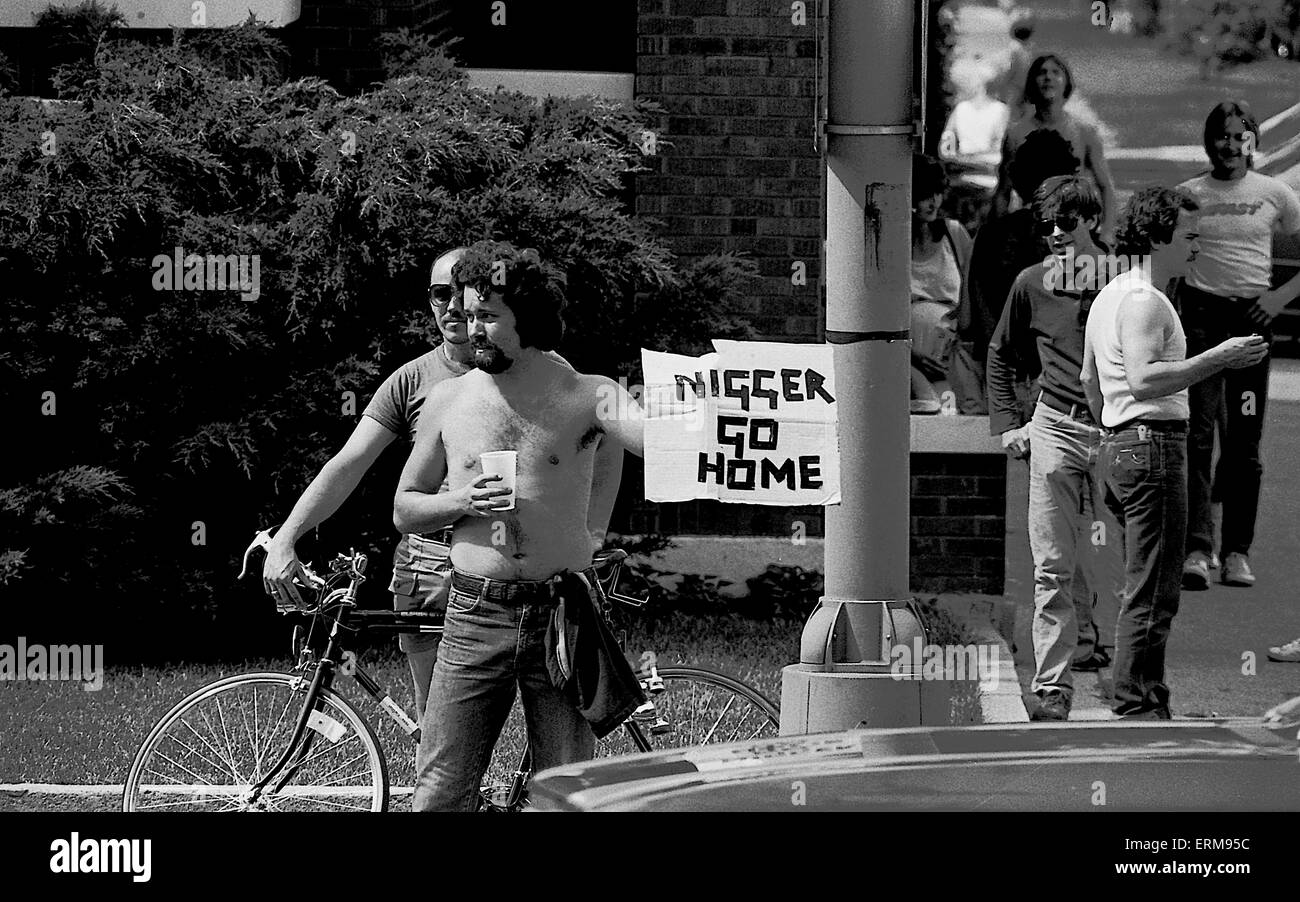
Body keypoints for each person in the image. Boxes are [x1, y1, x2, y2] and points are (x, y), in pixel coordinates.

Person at [262, 247, 625, 719]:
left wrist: (594, 531)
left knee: (549, 717)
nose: (453, 308)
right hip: (430, 565)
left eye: (464, 296)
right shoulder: (414, 380)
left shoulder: (543, 366)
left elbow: (603, 444)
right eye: (440, 294)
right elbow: (348, 463)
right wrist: (287, 537)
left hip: (528, 576)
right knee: (438, 727)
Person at [394, 242, 646, 812]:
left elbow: (658, 443)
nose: (469, 327)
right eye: (465, 311)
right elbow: (405, 507)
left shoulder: (589, 393)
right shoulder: (446, 401)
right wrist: (461, 501)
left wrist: (710, 413)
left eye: (487, 316)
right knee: (439, 792)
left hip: (562, 616)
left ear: (526, 319)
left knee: (567, 792)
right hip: (474, 614)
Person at [1081, 186, 1268, 719]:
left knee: (1146, 582)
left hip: (1124, 447)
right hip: (1152, 447)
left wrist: (1113, 435)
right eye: (1188, 236)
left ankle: (1147, 697)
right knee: (1155, 590)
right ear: (1158, 235)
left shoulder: (1112, 294)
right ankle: (1137, 705)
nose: (1197, 246)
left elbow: (1090, 379)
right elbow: (1142, 380)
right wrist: (1220, 358)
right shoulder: (1145, 302)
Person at [986, 174, 1122, 721]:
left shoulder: (1125, 280)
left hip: (1116, 432)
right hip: (1055, 427)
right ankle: (1051, 689)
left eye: (1068, 222)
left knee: (1120, 561)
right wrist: (1008, 424)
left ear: (1092, 219)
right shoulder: (1032, 283)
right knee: (1051, 564)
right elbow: (1001, 352)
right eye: (1047, 226)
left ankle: (1126, 679)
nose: (1057, 234)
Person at [1175, 101, 1300, 590]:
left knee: (1244, 440)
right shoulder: (1189, 194)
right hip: (1203, 323)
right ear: (1209, 141)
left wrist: (1278, 299)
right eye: (1221, 136)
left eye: (1239, 135)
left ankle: (1237, 552)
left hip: (1252, 324)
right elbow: (1164, 255)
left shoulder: (1276, 194)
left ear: (1252, 141)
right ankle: (1197, 548)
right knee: (1197, 435)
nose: (1229, 145)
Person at [965, 128, 1082, 415]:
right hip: (1059, 373)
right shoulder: (1074, 240)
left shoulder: (991, 235)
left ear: (1019, 180)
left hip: (1004, 368)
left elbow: (977, 311)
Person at [991, 54, 1116, 241]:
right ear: (1032, 83)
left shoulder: (1083, 132)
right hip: (1030, 231)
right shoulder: (1016, 134)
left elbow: (1106, 187)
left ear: (1066, 83)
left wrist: (1107, 232)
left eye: (1056, 73)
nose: (1048, 77)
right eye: (1041, 73)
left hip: (1073, 229)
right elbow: (1003, 192)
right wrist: (998, 234)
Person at [910, 154, 974, 413]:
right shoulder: (889, 243)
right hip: (909, 357)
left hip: (949, 350)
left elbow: (973, 294)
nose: (934, 201)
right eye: (926, 193)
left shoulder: (953, 233)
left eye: (938, 192)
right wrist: (913, 357)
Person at [940, 58, 1010, 171]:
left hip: (971, 168)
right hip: (983, 169)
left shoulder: (961, 108)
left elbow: (946, 148)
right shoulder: (1000, 110)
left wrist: (958, 159)